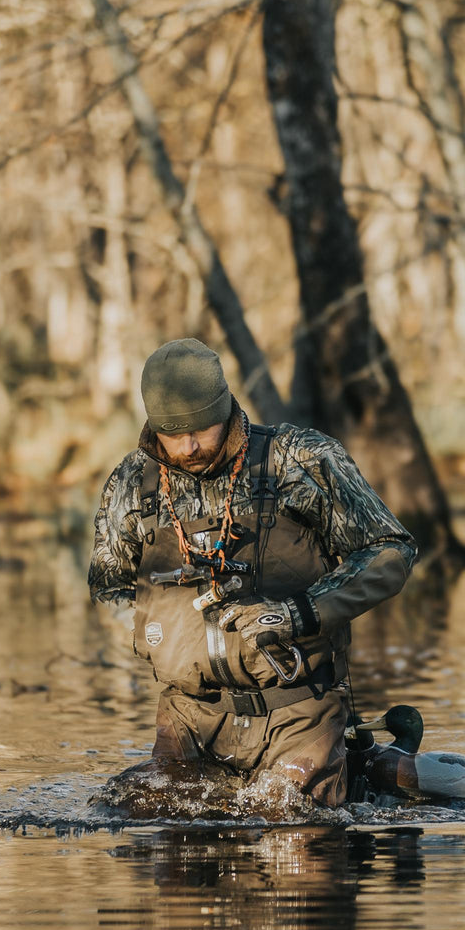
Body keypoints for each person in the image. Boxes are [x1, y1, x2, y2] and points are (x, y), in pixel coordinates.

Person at [88, 338, 417, 807]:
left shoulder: (298, 460)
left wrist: (298, 612)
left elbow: (391, 550)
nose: (189, 446)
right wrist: (152, 637)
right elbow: (109, 584)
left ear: (225, 408)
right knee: (157, 838)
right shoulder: (131, 483)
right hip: (188, 719)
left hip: (299, 712)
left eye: (202, 428)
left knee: (297, 848)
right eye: (172, 433)